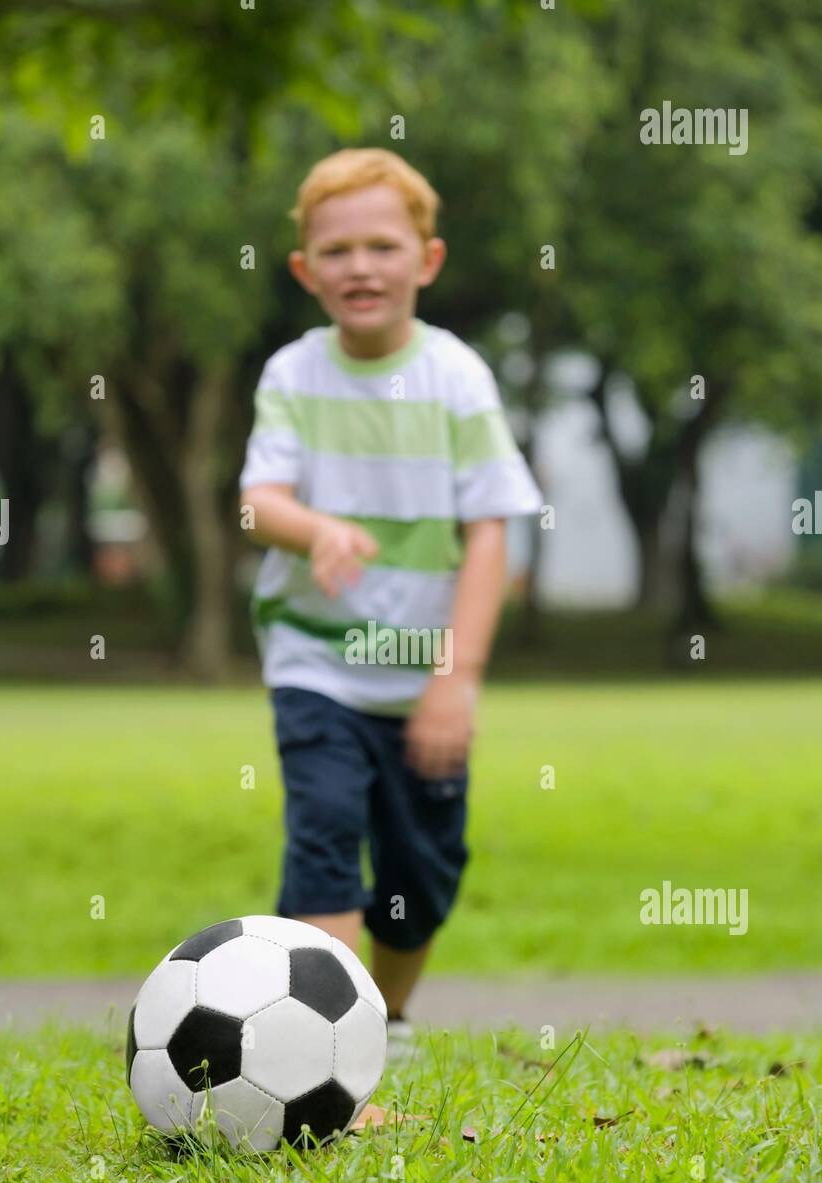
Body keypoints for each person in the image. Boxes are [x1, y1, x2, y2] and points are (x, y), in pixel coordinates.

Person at [239, 148, 543, 1056]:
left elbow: (490, 529)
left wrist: (457, 679)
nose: (360, 266)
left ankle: (392, 1017)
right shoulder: (294, 374)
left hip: (424, 678)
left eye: (382, 245)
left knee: (423, 868)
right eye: (336, 251)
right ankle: (331, 1046)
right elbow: (260, 501)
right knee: (325, 837)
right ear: (304, 271)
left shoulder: (457, 378)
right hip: (316, 660)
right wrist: (318, 531)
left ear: (428, 260)